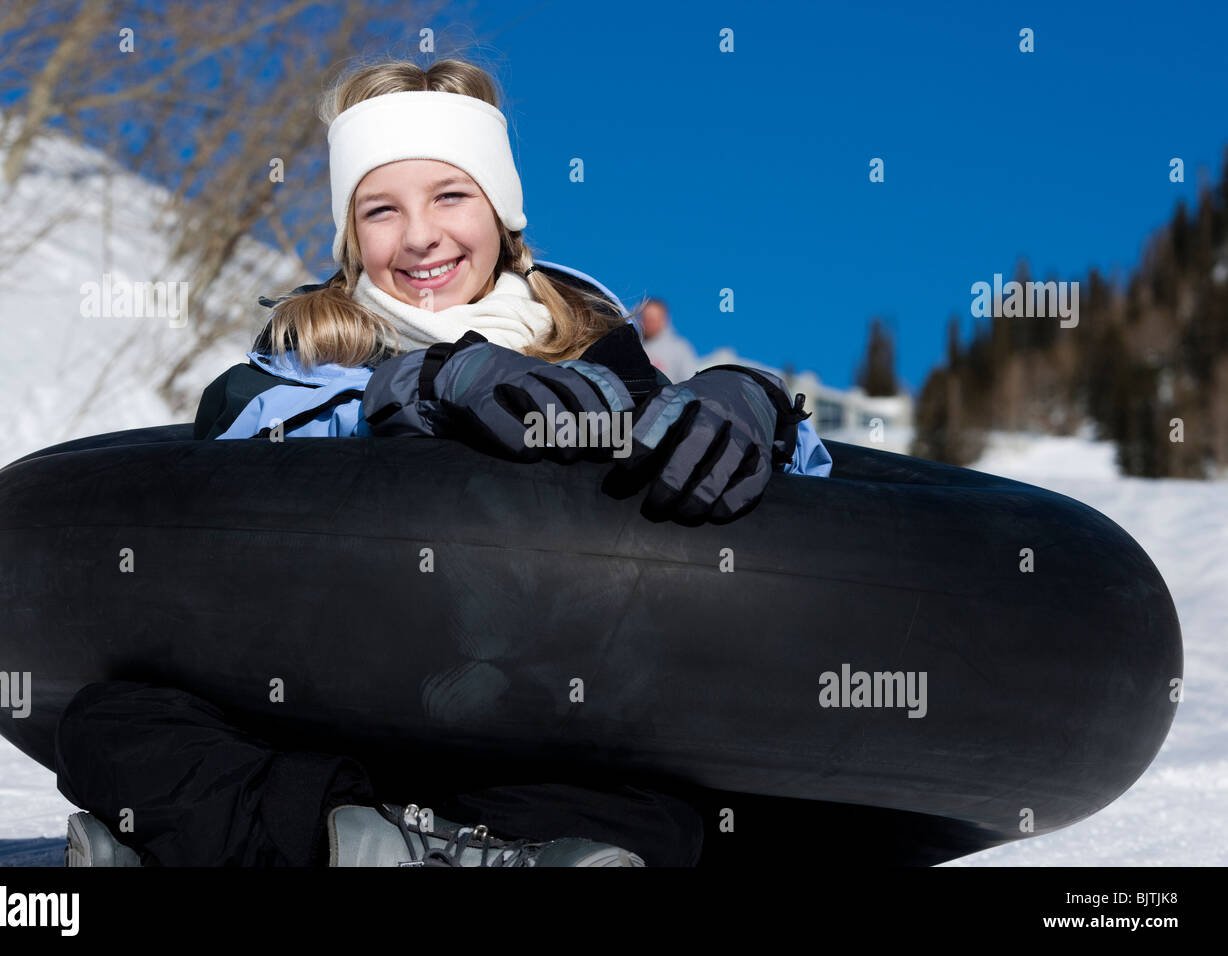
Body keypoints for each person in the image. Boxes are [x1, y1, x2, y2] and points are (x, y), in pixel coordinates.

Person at [55, 56, 833, 869]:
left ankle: (329, 848)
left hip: (536, 722)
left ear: (502, 212)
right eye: (381, 210)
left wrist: (758, 404)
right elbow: (240, 454)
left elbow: (812, 529)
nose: (420, 235)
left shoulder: (605, 367)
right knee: (110, 727)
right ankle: (390, 847)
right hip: (323, 710)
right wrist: (408, 389)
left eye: (451, 196)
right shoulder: (303, 362)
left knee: (668, 813)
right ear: (352, 237)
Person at [638, 297, 700, 384]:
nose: (648, 323)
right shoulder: (634, 348)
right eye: (645, 319)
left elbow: (691, 383)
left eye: (653, 319)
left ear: (663, 319)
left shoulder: (679, 349)